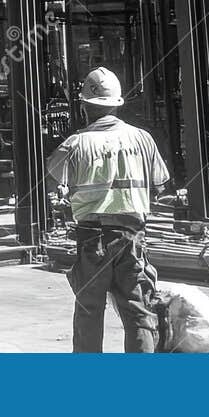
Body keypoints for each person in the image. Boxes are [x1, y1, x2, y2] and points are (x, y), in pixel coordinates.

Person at [45, 67, 171, 353]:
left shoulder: (75, 144)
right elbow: (160, 186)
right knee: (137, 311)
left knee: (89, 310)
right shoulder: (143, 139)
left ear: (84, 106)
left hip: (93, 238)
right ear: (117, 103)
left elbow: (50, 182)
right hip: (132, 235)